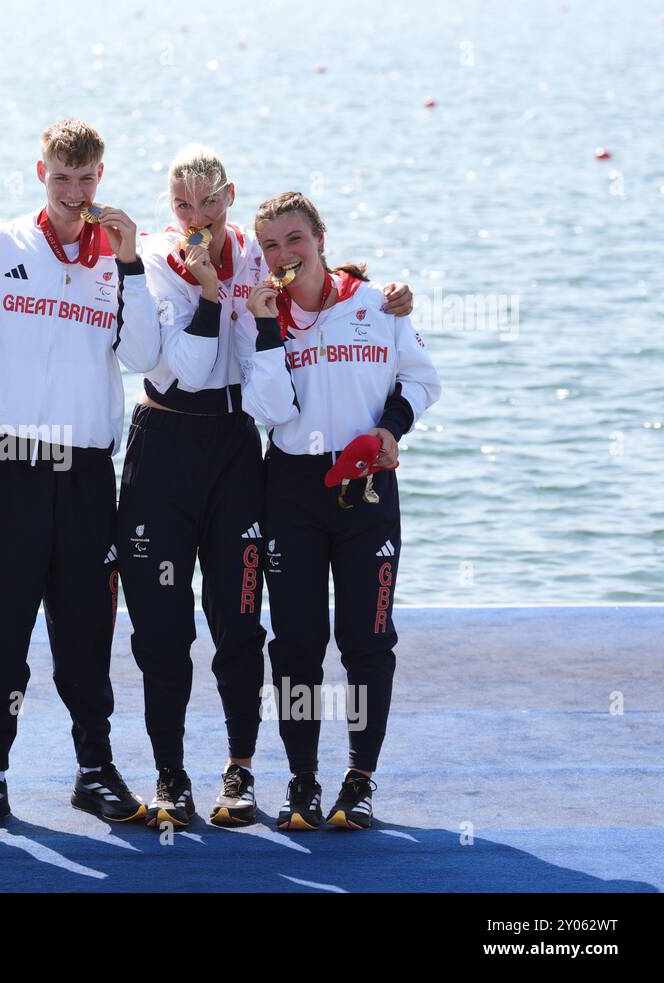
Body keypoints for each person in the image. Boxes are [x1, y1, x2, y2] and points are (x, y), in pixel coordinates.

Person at [128, 147, 413, 829]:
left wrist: (376, 293)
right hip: (165, 442)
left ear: (229, 196)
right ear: (171, 208)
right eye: (183, 205)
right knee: (163, 631)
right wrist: (203, 288)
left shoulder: (259, 259)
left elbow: (316, 281)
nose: (196, 217)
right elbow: (189, 368)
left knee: (242, 626)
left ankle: (245, 769)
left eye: (209, 202)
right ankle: (170, 773)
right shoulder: (158, 259)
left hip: (236, 450)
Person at [0, 119, 160, 832]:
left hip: (86, 471)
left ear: (101, 176)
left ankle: (94, 770)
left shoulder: (123, 256)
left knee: (86, 634)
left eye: (86, 179)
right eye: (61, 179)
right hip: (6, 466)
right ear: (41, 171)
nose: (74, 193)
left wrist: (130, 264)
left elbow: (142, 357)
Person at [241, 191, 440, 831]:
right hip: (294, 488)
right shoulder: (261, 319)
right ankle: (301, 782)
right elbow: (273, 412)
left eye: (293, 239)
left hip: (368, 487)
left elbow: (422, 379)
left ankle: (359, 780)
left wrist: (391, 430)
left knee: (367, 640)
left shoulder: (378, 302)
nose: (283, 254)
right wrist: (270, 330)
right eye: (269, 245)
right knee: (297, 642)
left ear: (320, 239)